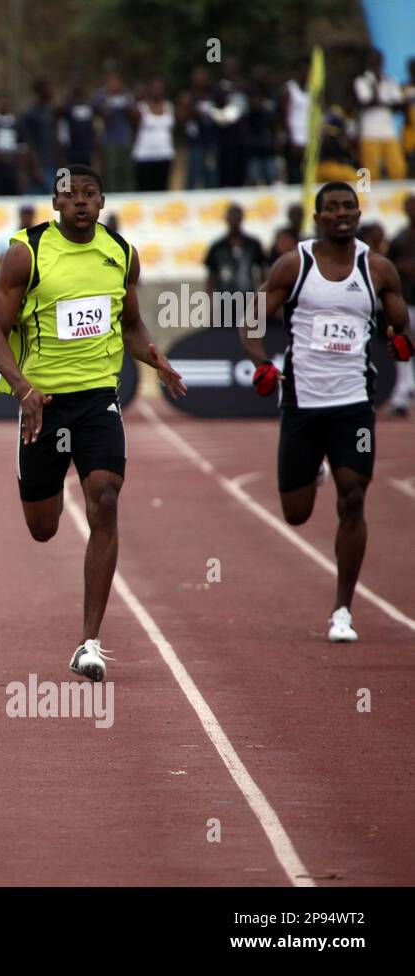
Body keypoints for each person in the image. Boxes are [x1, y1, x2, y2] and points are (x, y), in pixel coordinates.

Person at [0, 164, 186, 682]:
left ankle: (89, 642)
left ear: (102, 203)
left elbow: (131, 323)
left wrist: (155, 358)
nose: (79, 202)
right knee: (43, 528)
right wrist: (24, 390)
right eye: (69, 195)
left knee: (106, 498)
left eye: (89, 194)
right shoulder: (26, 252)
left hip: (99, 399)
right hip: (43, 404)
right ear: (55, 204)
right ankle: (39, 486)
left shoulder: (120, 254)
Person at [240, 182, 411, 641]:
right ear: (317, 217)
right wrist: (261, 364)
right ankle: (311, 468)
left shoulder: (377, 268)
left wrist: (400, 341)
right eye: (331, 207)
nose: (340, 213)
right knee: (296, 514)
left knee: (353, 496)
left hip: (354, 403)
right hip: (302, 401)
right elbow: (252, 319)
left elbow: (401, 323)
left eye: (348, 206)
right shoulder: (296, 264)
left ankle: (342, 610)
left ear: (358, 213)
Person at [204, 204, 268, 327]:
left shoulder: (253, 245)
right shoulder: (217, 247)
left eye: (236, 217)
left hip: (248, 301)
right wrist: (210, 306)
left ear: (242, 218)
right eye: (231, 217)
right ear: (226, 219)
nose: (234, 220)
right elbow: (211, 278)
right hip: (224, 302)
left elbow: (262, 275)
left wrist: (263, 301)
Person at [383, 192, 415, 416]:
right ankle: (403, 394)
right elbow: (388, 268)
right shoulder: (400, 238)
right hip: (406, 301)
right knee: (403, 346)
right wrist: (401, 266)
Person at [353, 48, 407, 182]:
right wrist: (384, 101)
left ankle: (401, 199)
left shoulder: (390, 80)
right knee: (369, 172)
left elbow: (400, 104)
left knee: (398, 169)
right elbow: (364, 102)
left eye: (378, 60)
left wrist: (380, 102)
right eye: (373, 60)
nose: (376, 63)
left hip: (388, 131)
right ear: (368, 61)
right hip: (369, 132)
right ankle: (365, 199)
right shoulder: (362, 81)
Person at [131, 76, 175, 192]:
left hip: (164, 154)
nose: (157, 90)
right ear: (149, 89)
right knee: (144, 189)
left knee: (162, 189)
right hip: (144, 156)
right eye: (154, 87)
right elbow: (133, 128)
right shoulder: (140, 108)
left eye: (160, 88)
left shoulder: (169, 106)